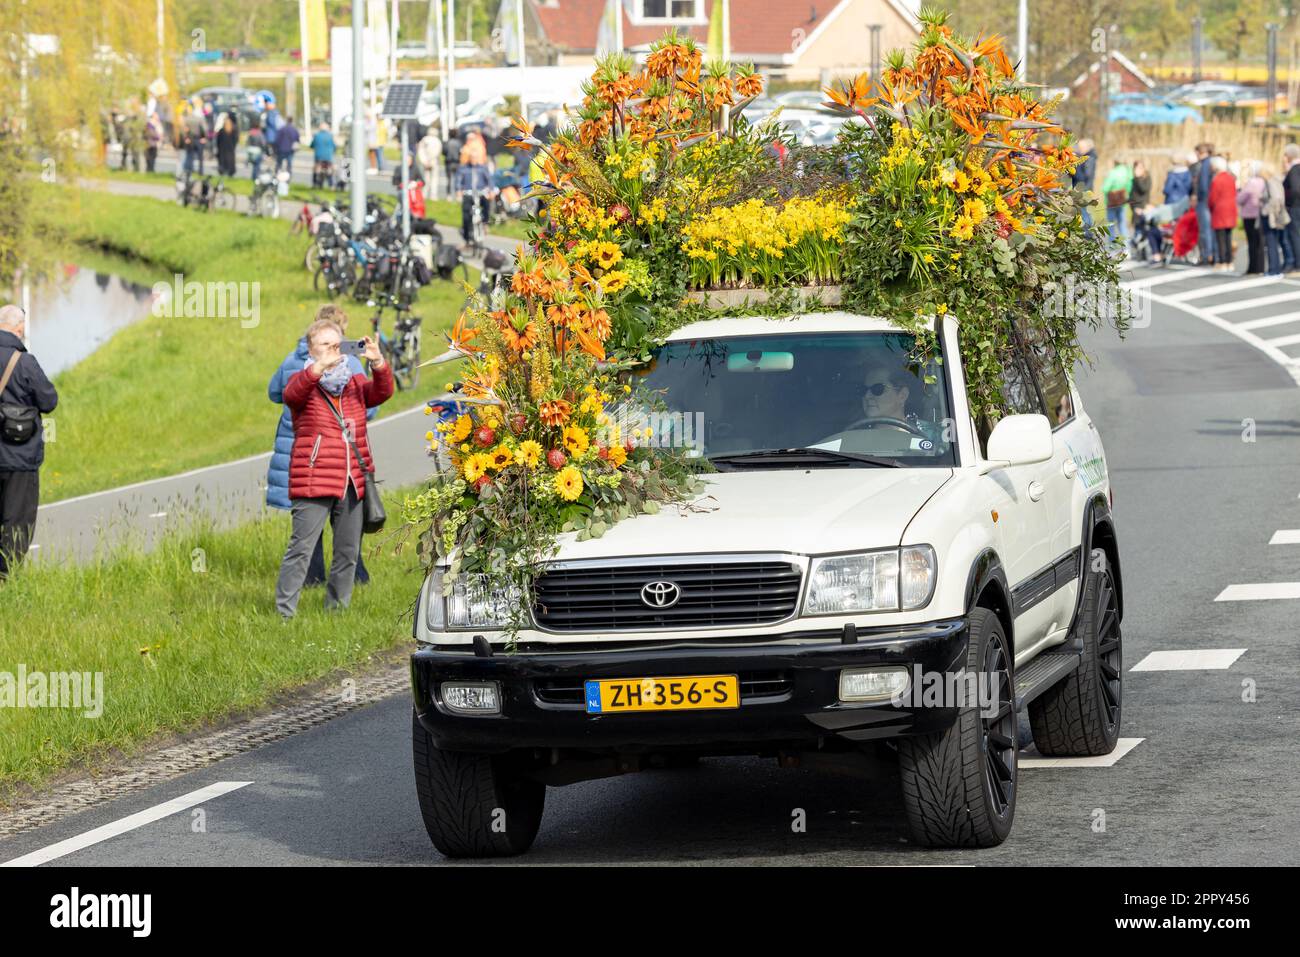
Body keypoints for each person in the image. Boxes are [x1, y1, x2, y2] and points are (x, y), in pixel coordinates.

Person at [274, 318, 393, 618]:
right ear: (311, 351)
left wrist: (378, 362)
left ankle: (336, 611)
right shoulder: (304, 382)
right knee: (301, 550)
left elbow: (382, 393)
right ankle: (284, 613)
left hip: (352, 479)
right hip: (313, 479)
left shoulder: (353, 383)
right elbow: (291, 396)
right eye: (324, 345)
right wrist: (318, 369)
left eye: (336, 344)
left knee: (347, 552)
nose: (332, 350)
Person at [267, 305, 375, 587]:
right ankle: (356, 575)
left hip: (294, 449)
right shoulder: (348, 361)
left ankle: (312, 578)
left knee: (306, 523)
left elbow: (274, 392)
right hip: (333, 450)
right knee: (345, 521)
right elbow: (365, 406)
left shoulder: (292, 357)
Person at [0, 305, 58, 579]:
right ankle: (6, 578)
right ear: (20, 328)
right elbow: (49, 401)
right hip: (20, 457)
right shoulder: (25, 362)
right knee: (18, 522)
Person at [456, 129, 495, 246]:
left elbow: (489, 180)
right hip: (468, 193)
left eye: (475, 157)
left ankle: (485, 223)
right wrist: (459, 191)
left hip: (480, 192)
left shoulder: (483, 168)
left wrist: (491, 190)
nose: (473, 160)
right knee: (466, 214)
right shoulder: (464, 168)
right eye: (472, 158)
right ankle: (467, 237)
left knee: (486, 205)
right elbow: (458, 180)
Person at [1208, 155, 1238, 271]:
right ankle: (1229, 261)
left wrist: (1210, 206)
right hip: (1230, 209)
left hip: (1220, 210)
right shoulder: (1231, 178)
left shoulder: (1217, 179)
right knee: (1228, 236)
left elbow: (1213, 198)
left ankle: (1222, 261)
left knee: (1220, 238)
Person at [1237, 160, 1267, 276]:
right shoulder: (1264, 182)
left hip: (1250, 215)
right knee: (1260, 242)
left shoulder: (1252, 183)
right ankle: (1260, 267)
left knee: (1252, 243)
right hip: (1260, 214)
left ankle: (1252, 268)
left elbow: (1240, 199)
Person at [1261, 163, 1290, 277]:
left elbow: (1275, 198)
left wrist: (1265, 210)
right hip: (1276, 215)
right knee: (1274, 242)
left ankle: (1274, 269)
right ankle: (1275, 268)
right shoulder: (1276, 180)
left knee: (1271, 242)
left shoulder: (1270, 182)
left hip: (1271, 216)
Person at [1192, 143, 1216, 266]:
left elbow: (1203, 185)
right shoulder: (1211, 162)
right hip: (1209, 200)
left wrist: (1200, 197)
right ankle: (1211, 255)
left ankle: (1207, 255)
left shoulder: (1205, 164)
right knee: (1209, 229)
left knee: (1204, 229)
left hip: (1204, 200)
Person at [1100, 157, 1132, 249]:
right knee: (1122, 224)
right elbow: (1129, 185)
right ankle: (1126, 246)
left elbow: (1105, 188)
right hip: (1122, 200)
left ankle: (1112, 246)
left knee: (1111, 224)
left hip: (1112, 202)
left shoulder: (1113, 172)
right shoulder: (1128, 171)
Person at [1282, 143, 1300, 277]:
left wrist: (1290, 203)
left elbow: (1294, 189)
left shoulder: (1294, 169)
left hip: (1295, 207)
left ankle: (1297, 265)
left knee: (1294, 236)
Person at [1071, 138, 1097, 228]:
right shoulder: (1088, 158)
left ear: (1087, 147)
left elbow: (1084, 177)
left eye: (1081, 147)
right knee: (1084, 214)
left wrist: (1075, 166)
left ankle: (1089, 236)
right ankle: (1089, 235)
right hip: (1083, 190)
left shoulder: (1089, 159)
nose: (1079, 149)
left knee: (1084, 215)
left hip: (1084, 191)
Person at [180, 102, 207, 176]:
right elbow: (205, 129)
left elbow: (184, 129)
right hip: (199, 139)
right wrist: (204, 138)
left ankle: (189, 170)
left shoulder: (187, 119)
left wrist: (186, 138)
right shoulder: (200, 119)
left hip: (190, 139)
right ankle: (200, 171)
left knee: (190, 155)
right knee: (200, 157)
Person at [309, 121, 336, 188]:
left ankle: (314, 184)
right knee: (330, 169)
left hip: (319, 156)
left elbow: (312, 145)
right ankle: (331, 184)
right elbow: (334, 146)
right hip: (328, 157)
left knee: (316, 169)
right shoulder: (330, 136)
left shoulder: (317, 135)